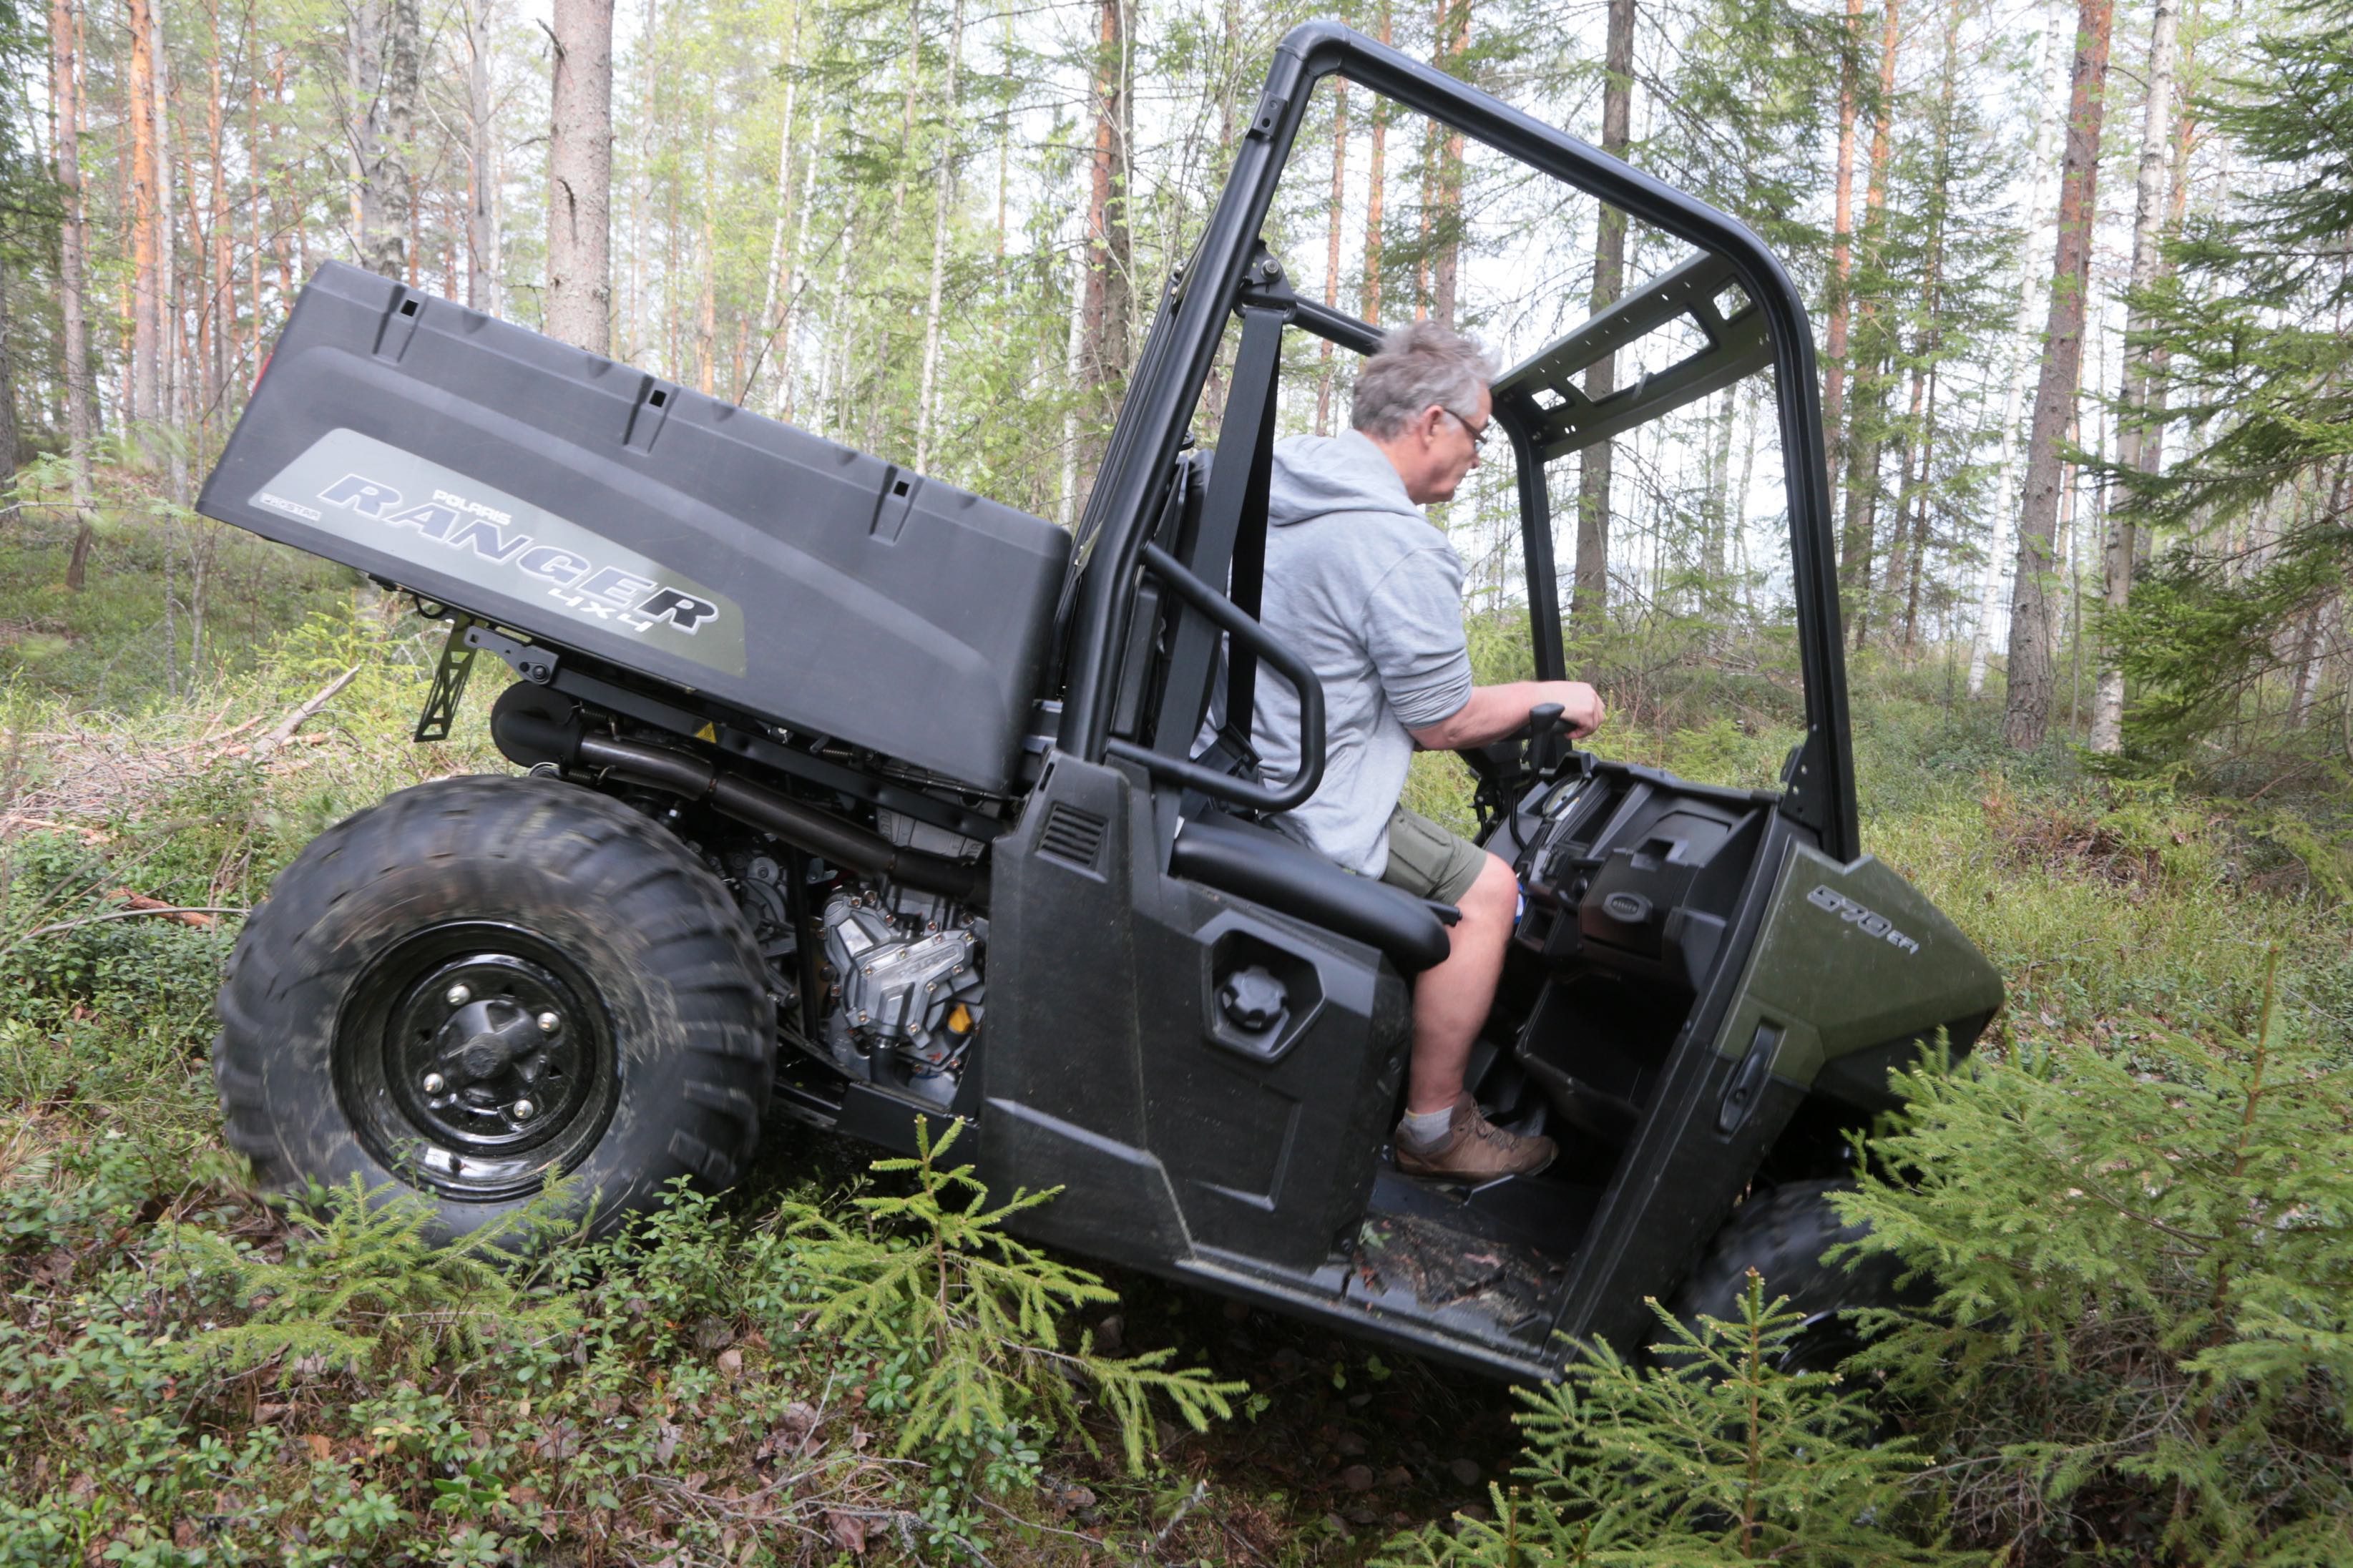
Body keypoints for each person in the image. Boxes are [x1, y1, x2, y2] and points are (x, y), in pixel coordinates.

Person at [1243, 321, 1605, 1181]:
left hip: (1246, 759)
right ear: (1433, 422)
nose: (1478, 455)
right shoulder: (1394, 544)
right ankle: (1436, 1130)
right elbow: (1441, 720)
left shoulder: (1288, 477)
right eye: (1478, 433)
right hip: (1305, 799)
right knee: (1490, 890)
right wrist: (1560, 697)